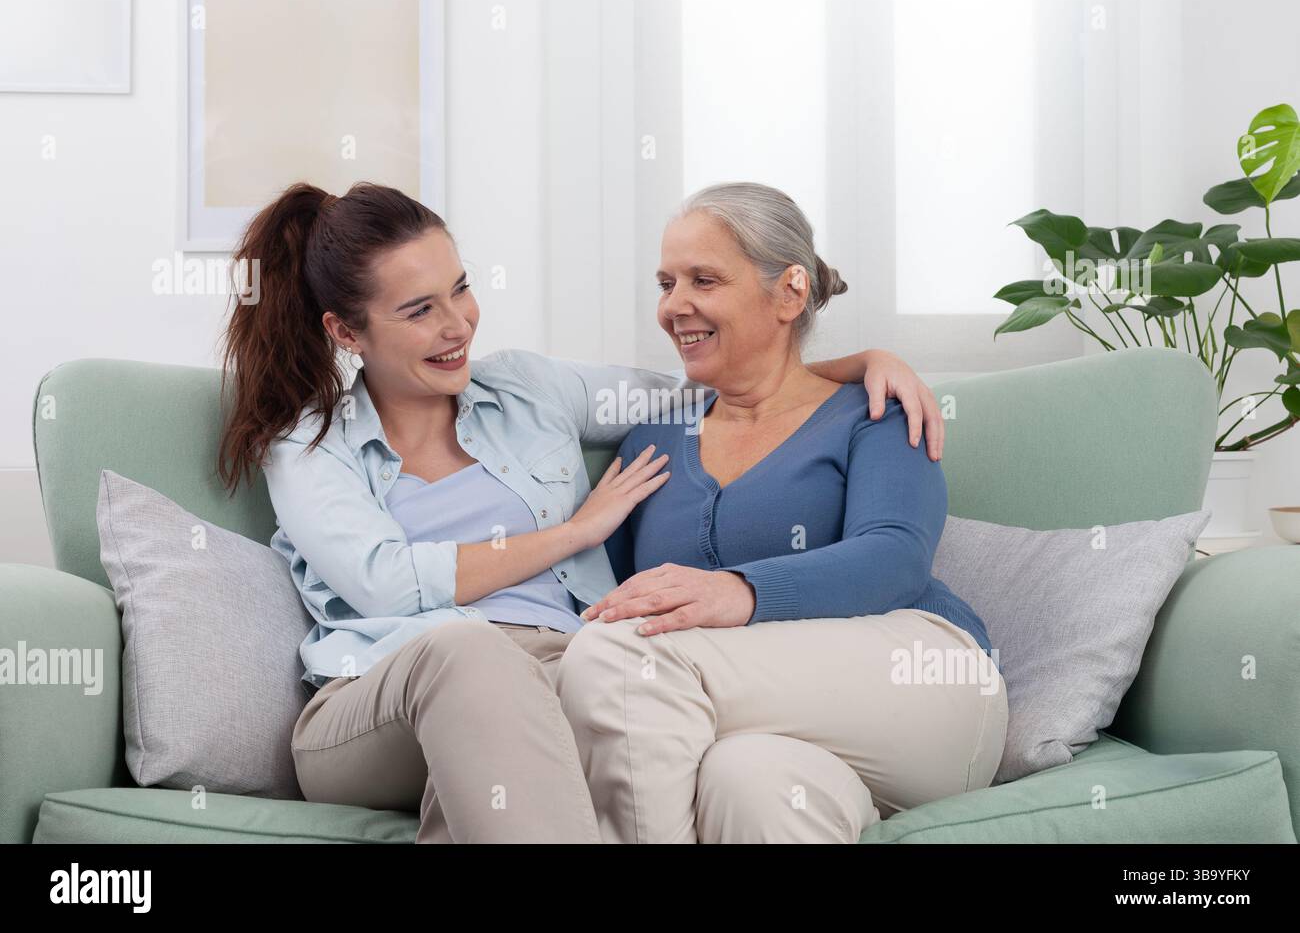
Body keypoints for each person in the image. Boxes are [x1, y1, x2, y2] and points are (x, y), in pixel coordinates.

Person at [215, 180, 946, 843]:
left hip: (549, 679)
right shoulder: (307, 446)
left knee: (540, 729)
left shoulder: (529, 391)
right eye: (419, 310)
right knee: (469, 656)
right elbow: (386, 583)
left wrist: (852, 365)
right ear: (347, 333)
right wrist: (571, 534)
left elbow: (705, 378)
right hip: (377, 699)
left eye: (460, 290)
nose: (457, 325)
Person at [557, 182, 1007, 843]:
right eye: (666, 282)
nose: (675, 306)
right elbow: (617, 601)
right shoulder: (652, 441)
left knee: (625, 661)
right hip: (771, 732)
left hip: (926, 685)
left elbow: (896, 557)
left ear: (790, 293)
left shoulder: (874, 409)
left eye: (703, 280)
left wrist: (735, 591)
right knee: (751, 788)